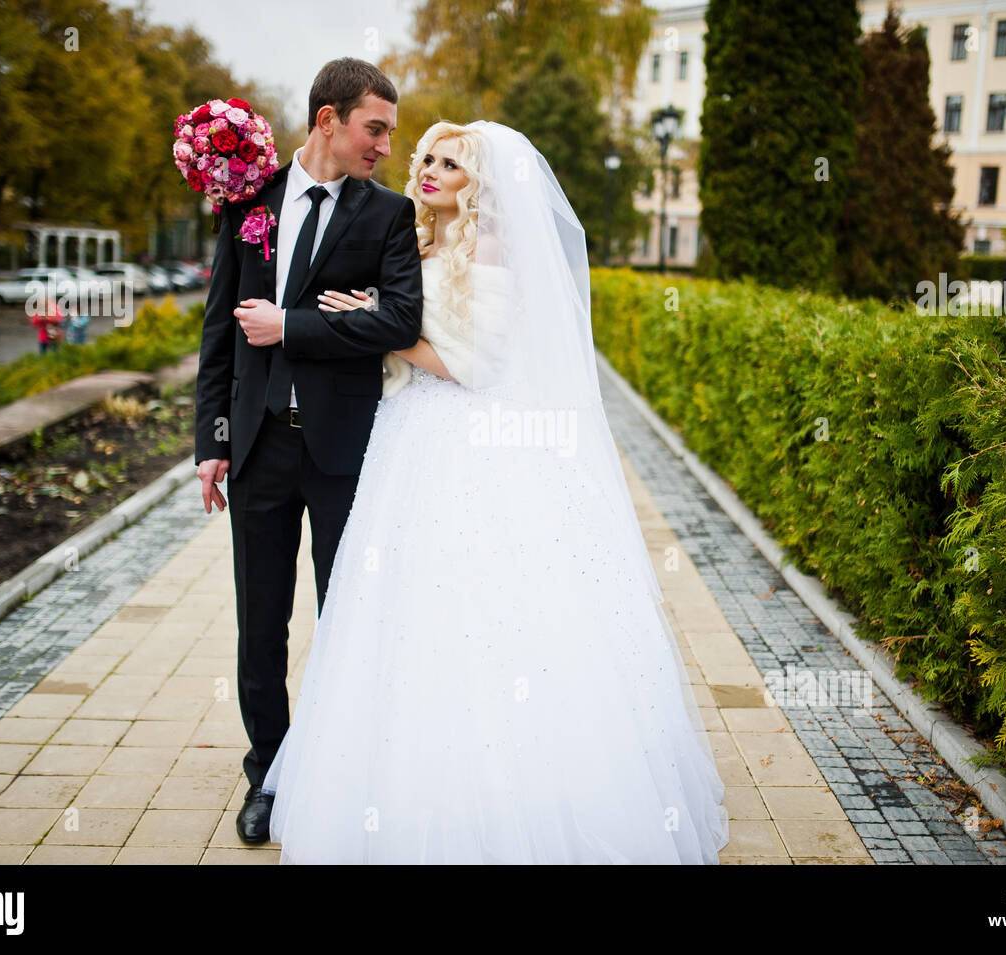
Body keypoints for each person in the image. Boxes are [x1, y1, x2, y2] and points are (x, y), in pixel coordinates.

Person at [259, 120, 731, 864]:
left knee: (486, 603)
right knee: (403, 609)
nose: (432, 171)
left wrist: (371, 327)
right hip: (410, 433)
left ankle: (511, 794)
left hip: (469, 436)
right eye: (430, 159)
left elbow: (470, 364)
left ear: (477, 183)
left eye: (451, 164)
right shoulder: (420, 240)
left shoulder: (489, 247)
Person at [193, 58, 422, 845]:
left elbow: (399, 322)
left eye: (388, 130)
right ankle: (269, 775)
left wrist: (295, 326)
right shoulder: (248, 202)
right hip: (256, 448)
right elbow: (220, 328)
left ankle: (342, 775)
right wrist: (211, 442)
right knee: (260, 625)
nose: (387, 146)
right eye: (376, 128)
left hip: (343, 454)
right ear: (329, 120)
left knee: (343, 616)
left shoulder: (388, 215)